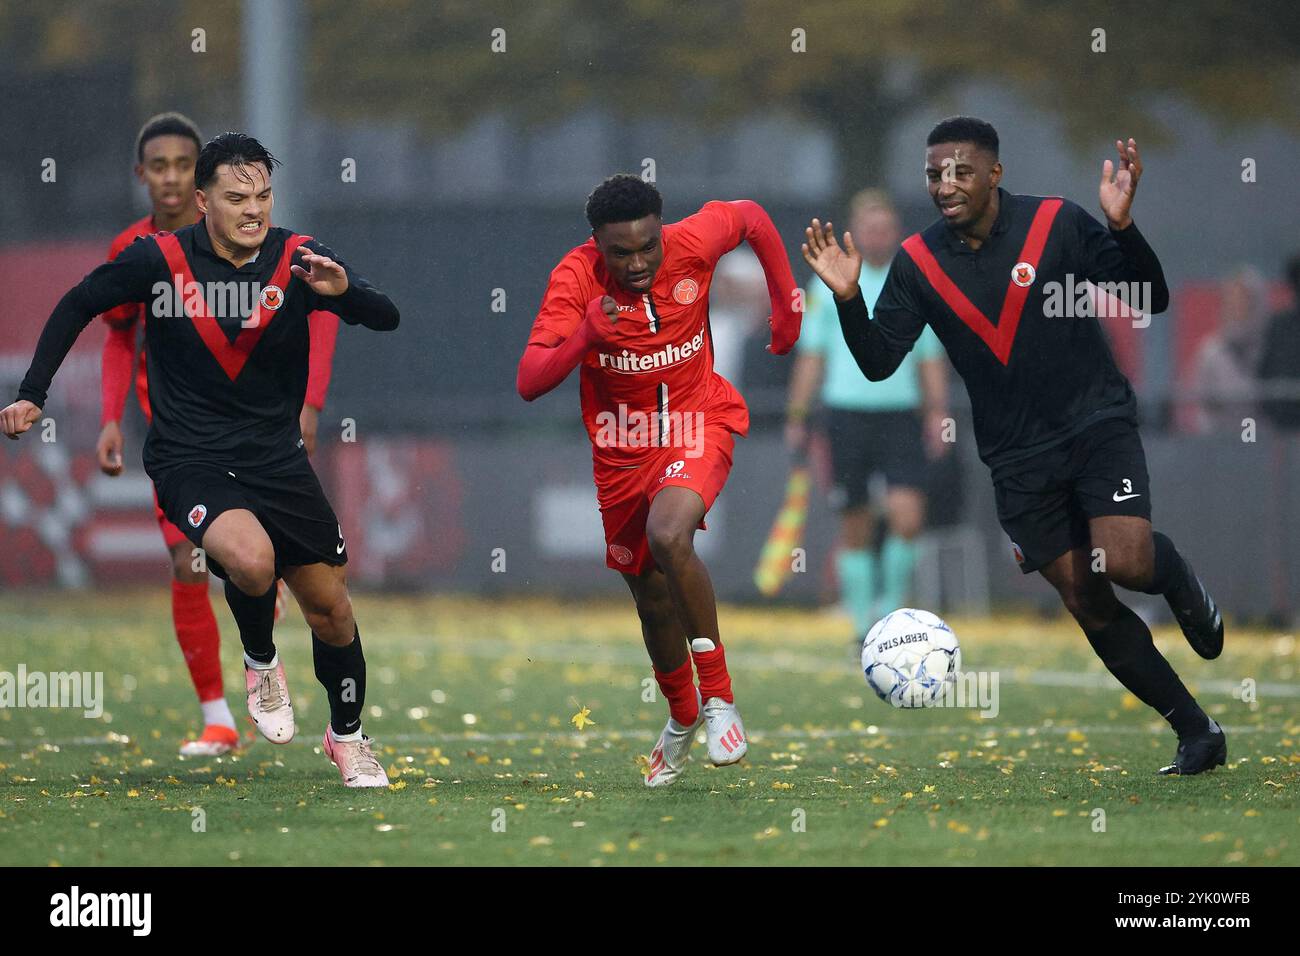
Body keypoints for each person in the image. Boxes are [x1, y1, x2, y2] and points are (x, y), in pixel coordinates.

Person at [803, 116, 1225, 775]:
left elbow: (1154, 296)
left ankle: (1177, 579)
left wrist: (1121, 227)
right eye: (934, 173)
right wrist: (852, 298)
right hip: (1016, 458)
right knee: (1086, 599)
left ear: (995, 174)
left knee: (1126, 562)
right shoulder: (917, 262)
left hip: (1095, 424)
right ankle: (1196, 731)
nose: (946, 184)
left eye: (961, 171)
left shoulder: (1054, 222)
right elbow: (881, 361)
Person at [3, 133, 399, 787]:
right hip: (191, 458)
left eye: (264, 196)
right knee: (249, 559)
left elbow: (385, 317)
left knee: (332, 610)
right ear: (202, 200)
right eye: (238, 197)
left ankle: (348, 738)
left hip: (279, 461)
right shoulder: (157, 260)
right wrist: (31, 394)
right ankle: (261, 660)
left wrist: (347, 289)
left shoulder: (299, 256)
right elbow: (81, 302)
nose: (254, 210)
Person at [517, 174, 800, 787]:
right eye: (622, 252)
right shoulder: (575, 280)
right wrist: (586, 333)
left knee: (671, 535)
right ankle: (681, 717)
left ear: (661, 230)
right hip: (621, 447)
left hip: (699, 420)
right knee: (649, 596)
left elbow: (751, 213)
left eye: (649, 246)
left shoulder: (693, 242)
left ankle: (720, 697)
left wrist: (787, 307)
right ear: (597, 244)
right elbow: (531, 378)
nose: (640, 262)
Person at [95, 112, 341, 757]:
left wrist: (310, 403)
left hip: (261, 436)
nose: (171, 177)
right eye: (160, 166)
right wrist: (108, 420)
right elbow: (118, 336)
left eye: (184, 164)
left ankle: (260, 595)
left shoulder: (266, 247)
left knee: (255, 563)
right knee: (188, 561)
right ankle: (218, 717)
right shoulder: (136, 253)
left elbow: (323, 312)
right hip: (181, 443)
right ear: (142, 175)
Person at [785, 189, 949, 642]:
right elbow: (812, 356)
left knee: (907, 516)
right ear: (858, 232)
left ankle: (892, 610)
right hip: (846, 415)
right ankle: (862, 624)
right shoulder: (827, 284)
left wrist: (937, 413)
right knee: (854, 520)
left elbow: (930, 358)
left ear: (895, 233)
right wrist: (798, 414)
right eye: (870, 228)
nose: (879, 236)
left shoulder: (914, 281)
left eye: (885, 228)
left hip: (900, 416)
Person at [1190, 265, 1266, 434]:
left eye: (1244, 300)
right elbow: (1203, 404)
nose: (1237, 306)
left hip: (1263, 441)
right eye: (1232, 299)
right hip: (1220, 443)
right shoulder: (1211, 351)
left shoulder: (1269, 348)